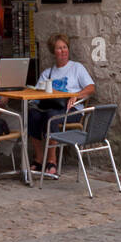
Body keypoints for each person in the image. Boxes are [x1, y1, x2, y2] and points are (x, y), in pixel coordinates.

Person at [29, 33, 95, 178]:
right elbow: (37, 93)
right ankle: (39, 158)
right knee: (32, 115)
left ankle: (52, 160)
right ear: (53, 51)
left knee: (50, 117)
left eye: (65, 47)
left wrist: (76, 95)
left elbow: (91, 87)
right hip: (50, 107)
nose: (63, 51)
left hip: (72, 110)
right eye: (59, 48)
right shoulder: (48, 72)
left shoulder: (76, 68)